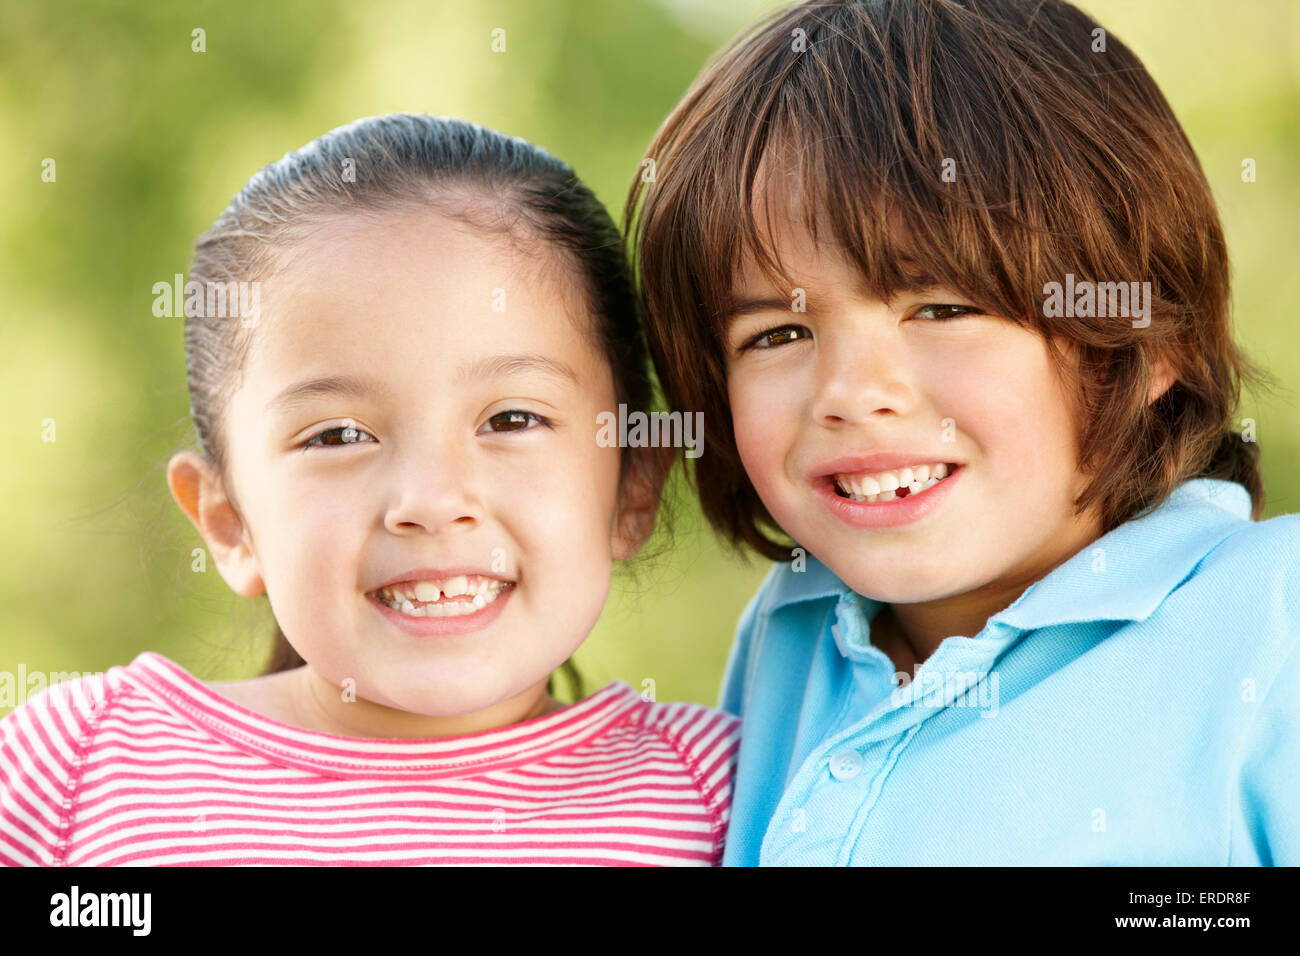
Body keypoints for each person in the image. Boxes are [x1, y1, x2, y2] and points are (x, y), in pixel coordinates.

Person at [625, 0, 1299, 865]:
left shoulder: (1267, 624)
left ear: (1149, 336)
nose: (851, 393)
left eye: (943, 308)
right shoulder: (794, 628)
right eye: (778, 334)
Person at [0, 114, 739, 866]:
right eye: (338, 436)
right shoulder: (78, 771)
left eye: (512, 418)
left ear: (633, 486)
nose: (430, 498)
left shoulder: (716, 796)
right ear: (229, 524)